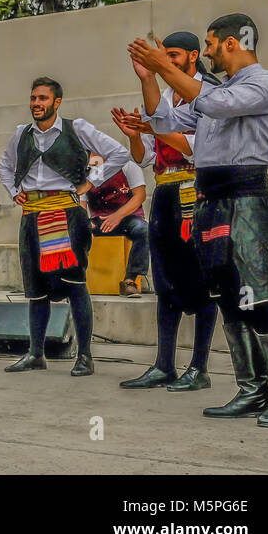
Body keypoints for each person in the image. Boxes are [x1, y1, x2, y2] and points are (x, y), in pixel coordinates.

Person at [131, 14, 268, 426]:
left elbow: (217, 106)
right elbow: (163, 120)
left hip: (248, 199)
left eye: (210, 44)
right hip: (213, 200)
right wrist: (150, 76)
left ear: (234, 42)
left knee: (255, 299)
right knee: (228, 299)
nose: (206, 52)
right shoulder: (215, 91)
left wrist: (163, 65)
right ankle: (252, 389)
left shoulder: (266, 84)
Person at [0, 77, 131, 376]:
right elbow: (5, 166)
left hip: (66, 214)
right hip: (31, 214)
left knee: (74, 284)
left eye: (43, 98)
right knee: (35, 289)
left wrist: (90, 182)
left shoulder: (77, 128)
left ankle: (84, 356)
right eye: (33, 98)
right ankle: (36, 353)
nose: (36, 104)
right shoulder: (21, 134)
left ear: (57, 102)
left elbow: (119, 153)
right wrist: (12, 189)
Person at [111, 31, 218, 392]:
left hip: (195, 189)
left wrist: (154, 126)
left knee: (202, 280)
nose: (167, 61)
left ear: (192, 56)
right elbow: (145, 158)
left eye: (172, 56)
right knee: (166, 280)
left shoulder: (209, 91)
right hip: (166, 191)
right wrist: (136, 134)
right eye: (163, 56)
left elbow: (194, 146)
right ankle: (163, 364)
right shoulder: (160, 96)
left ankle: (199, 367)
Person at [84, 152, 149, 297]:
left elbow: (140, 196)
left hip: (128, 218)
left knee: (143, 230)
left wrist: (116, 217)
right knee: (76, 230)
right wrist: (84, 224)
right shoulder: (85, 174)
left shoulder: (128, 165)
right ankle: (77, 281)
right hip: (99, 220)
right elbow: (81, 206)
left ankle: (130, 280)